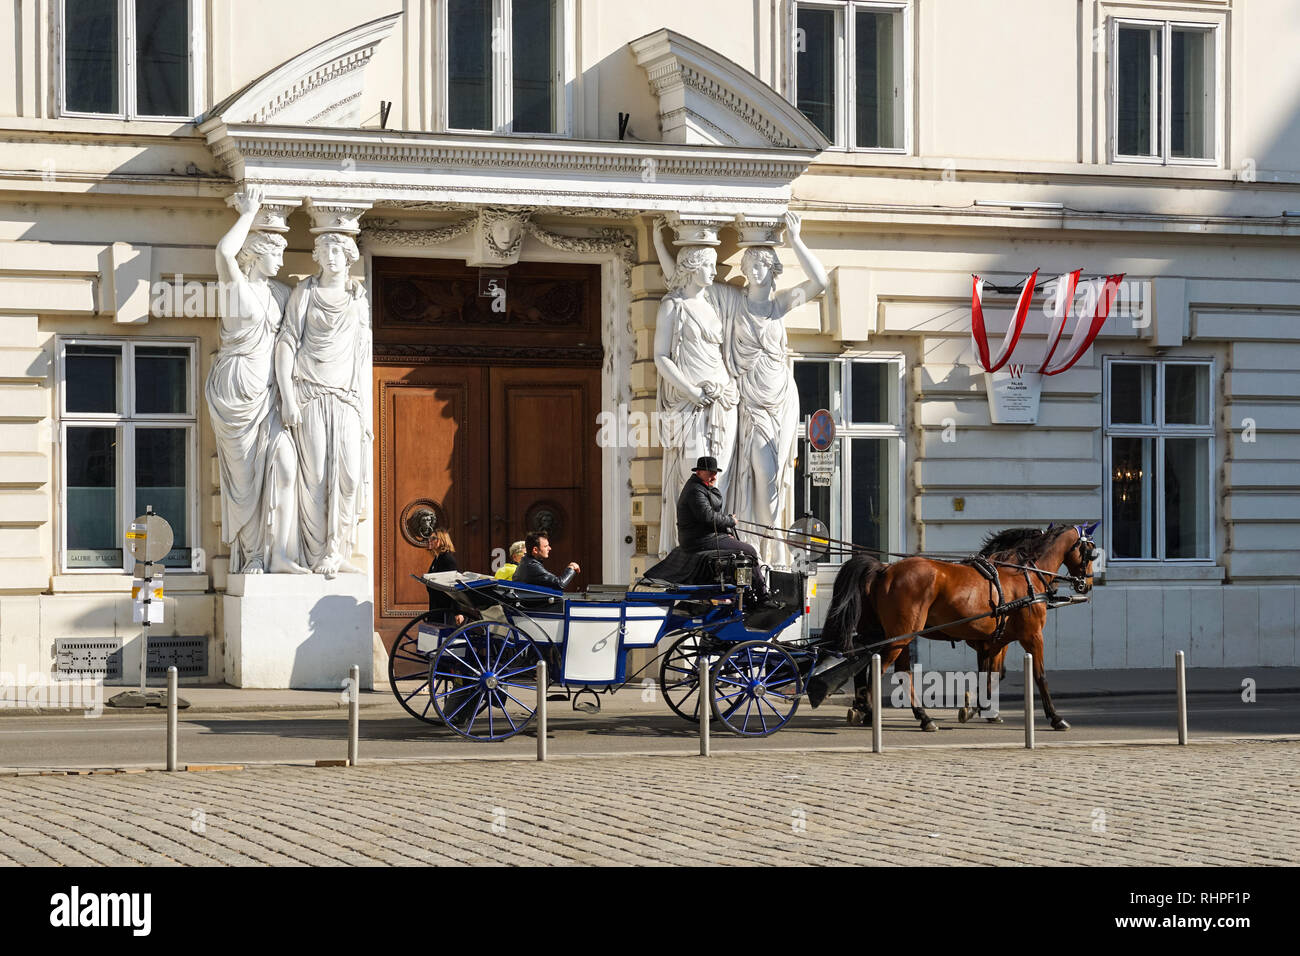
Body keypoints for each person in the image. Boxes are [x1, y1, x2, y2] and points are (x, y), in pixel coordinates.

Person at [676, 455, 772, 603]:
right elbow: (708, 517)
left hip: (705, 536)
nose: (713, 476)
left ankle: (746, 593)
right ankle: (762, 595)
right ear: (699, 472)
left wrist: (726, 533)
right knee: (750, 551)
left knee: (741, 552)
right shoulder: (695, 490)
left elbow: (709, 517)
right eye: (709, 472)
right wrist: (730, 521)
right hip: (701, 540)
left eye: (715, 473)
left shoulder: (700, 488)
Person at [512, 531, 579, 590]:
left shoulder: (525, 562)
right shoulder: (532, 566)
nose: (550, 548)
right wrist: (571, 568)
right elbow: (560, 584)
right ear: (535, 550)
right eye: (546, 546)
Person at [424, 529, 464, 627]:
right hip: (436, 607)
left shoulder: (447, 559)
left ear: (442, 540)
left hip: (446, 609)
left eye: (433, 538)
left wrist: (458, 612)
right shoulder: (437, 559)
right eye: (429, 538)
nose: (430, 540)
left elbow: (455, 585)